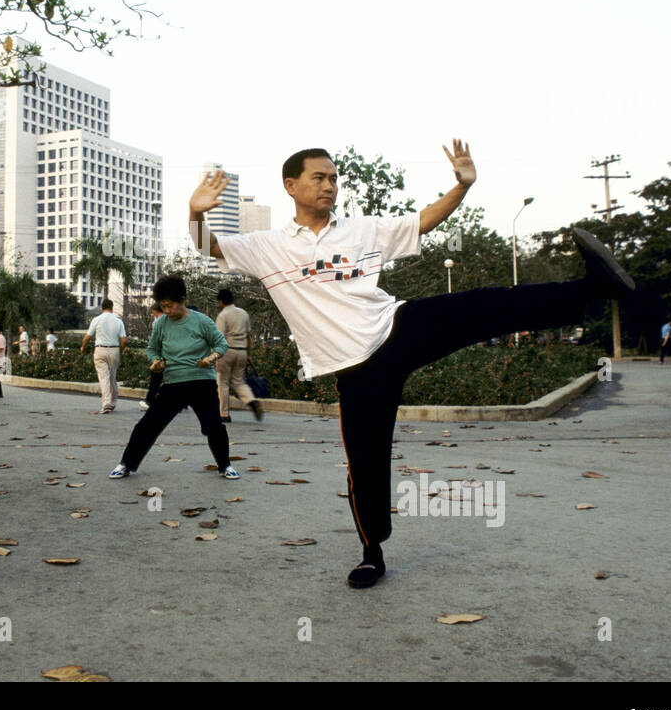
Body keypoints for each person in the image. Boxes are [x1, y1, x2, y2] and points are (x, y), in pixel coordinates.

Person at [192, 143, 636, 590]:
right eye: (318, 178)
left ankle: (592, 288)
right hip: (354, 369)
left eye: (333, 178)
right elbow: (208, 247)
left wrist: (461, 186)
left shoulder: (360, 229)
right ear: (291, 185)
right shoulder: (267, 246)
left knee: (483, 304)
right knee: (364, 462)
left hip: (395, 327)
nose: (329, 185)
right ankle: (372, 554)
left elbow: (423, 220)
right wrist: (196, 212)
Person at [108, 276, 236, 479]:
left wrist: (210, 358)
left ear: (182, 300)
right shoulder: (161, 324)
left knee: (213, 426)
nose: (166, 311)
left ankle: (225, 466)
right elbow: (152, 348)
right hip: (173, 383)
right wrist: (155, 361)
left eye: (170, 306)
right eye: (163, 306)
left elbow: (221, 343)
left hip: (201, 381)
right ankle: (126, 464)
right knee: (148, 425)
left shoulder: (201, 321)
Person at [215, 287, 264, 423]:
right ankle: (251, 400)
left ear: (220, 301)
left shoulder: (223, 315)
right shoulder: (243, 313)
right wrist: (248, 354)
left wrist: (215, 355)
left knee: (223, 382)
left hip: (227, 351)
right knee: (239, 381)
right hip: (242, 351)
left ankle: (224, 413)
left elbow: (219, 336)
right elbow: (248, 336)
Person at [81, 299, 126, 413]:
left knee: (104, 377)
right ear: (112, 307)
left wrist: (83, 347)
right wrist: (120, 350)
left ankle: (106, 403)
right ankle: (113, 402)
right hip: (114, 349)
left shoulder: (96, 319)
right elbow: (123, 340)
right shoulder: (118, 321)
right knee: (112, 377)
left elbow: (87, 337)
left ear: (102, 307)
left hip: (100, 349)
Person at [139, 301, 164, 411]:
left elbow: (155, 342)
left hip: (160, 355)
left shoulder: (157, 322)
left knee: (155, 379)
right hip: (169, 354)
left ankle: (150, 401)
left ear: (155, 311)